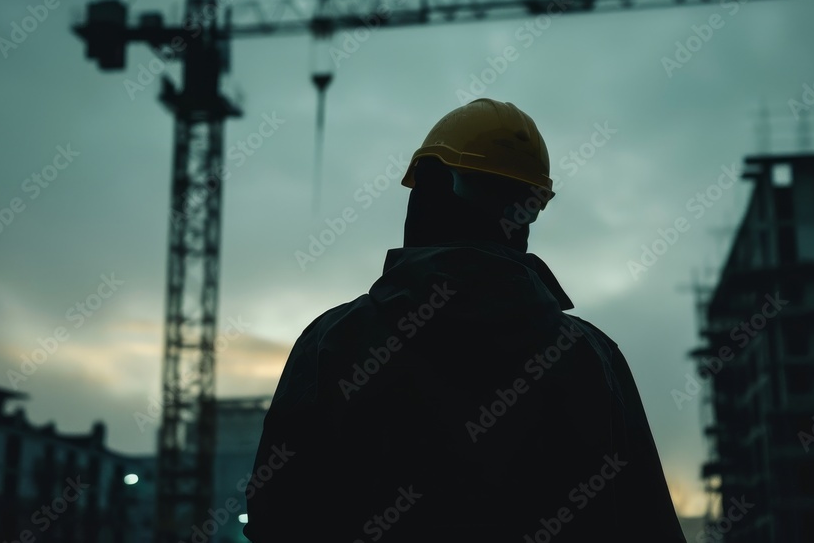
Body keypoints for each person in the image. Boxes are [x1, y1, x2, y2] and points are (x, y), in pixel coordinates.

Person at [244, 98, 685, 542]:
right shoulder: (594, 359)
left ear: (430, 191)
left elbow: (274, 515)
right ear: (526, 214)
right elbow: (648, 524)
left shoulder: (333, 344)